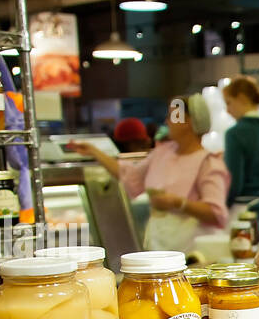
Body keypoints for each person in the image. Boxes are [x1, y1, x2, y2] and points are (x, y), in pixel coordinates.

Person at [70, 94, 229, 253]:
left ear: (189, 121)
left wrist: (178, 203)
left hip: (193, 252)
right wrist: (94, 152)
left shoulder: (208, 162)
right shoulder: (162, 153)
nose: (167, 121)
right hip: (160, 243)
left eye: (172, 116)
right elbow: (129, 175)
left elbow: (216, 213)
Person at [221, 76, 259, 217]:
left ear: (241, 98)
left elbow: (234, 181)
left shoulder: (235, 134)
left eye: (229, 103)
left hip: (242, 210)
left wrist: (224, 206)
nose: (227, 110)